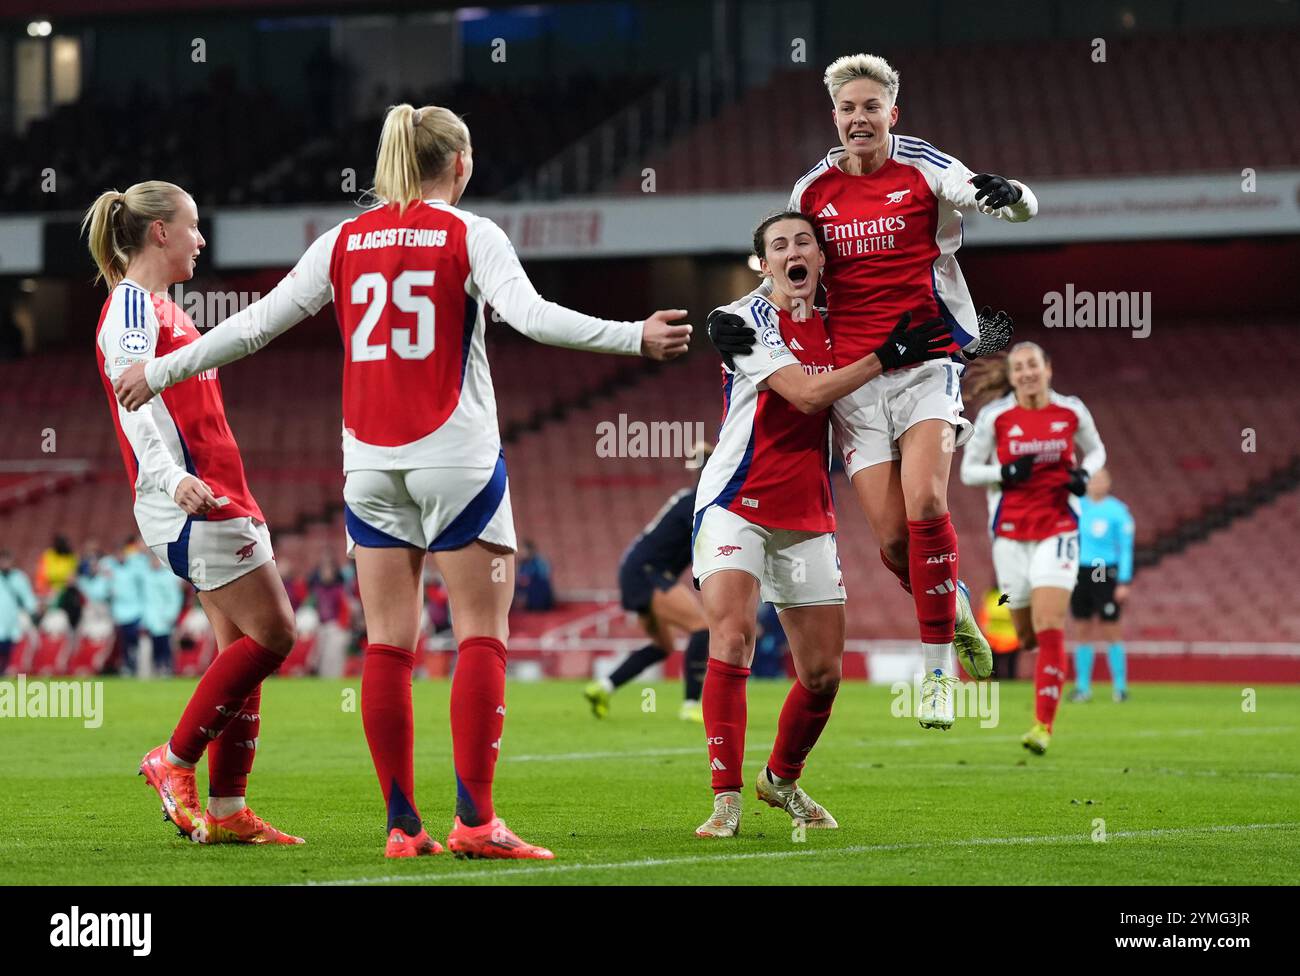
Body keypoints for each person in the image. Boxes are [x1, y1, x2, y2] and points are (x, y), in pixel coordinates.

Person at [113, 104, 692, 860]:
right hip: (457, 456)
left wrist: (157, 369)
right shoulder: (471, 233)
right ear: (460, 163)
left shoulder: (344, 239)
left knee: (389, 644)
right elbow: (531, 315)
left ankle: (401, 827)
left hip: (368, 467)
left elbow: (253, 327)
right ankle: (477, 822)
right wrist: (633, 337)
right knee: (483, 632)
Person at [707, 53, 1031, 727]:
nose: (860, 118)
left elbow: (977, 190)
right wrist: (736, 318)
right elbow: (791, 263)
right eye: (848, 108)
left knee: (928, 499)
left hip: (924, 364)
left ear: (892, 113)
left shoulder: (921, 165)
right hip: (852, 381)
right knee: (891, 544)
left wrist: (1014, 198)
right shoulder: (812, 189)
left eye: (870, 107)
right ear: (835, 117)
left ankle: (937, 674)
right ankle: (955, 603)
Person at [694, 211, 951, 838]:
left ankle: (780, 780)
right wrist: (884, 355)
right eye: (778, 246)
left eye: (803, 241)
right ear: (764, 264)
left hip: (807, 510)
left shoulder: (842, 324)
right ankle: (725, 799)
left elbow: (905, 340)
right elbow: (806, 395)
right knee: (732, 640)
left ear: (822, 255)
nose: (792, 252)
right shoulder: (744, 319)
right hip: (736, 498)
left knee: (823, 673)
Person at [84, 180, 303, 845]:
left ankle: (231, 809)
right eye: (193, 226)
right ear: (159, 233)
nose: (201, 239)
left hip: (217, 493)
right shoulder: (130, 304)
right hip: (195, 501)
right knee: (276, 636)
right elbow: (134, 396)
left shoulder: (153, 304)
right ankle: (173, 760)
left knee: (239, 649)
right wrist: (171, 476)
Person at [960, 342, 1106, 756]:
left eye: (1033, 365)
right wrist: (1004, 471)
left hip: (1058, 529)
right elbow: (969, 470)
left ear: (1048, 369)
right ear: (1011, 375)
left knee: (1049, 625)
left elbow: (1096, 451)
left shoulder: (1071, 411)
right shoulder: (996, 417)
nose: (1027, 373)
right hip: (1009, 534)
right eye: (1019, 367)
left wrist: (1084, 475)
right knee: (1025, 635)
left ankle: (1043, 724)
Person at [585, 462, 712, 724]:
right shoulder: (698, 504)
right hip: (649, 573)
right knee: (701, 628)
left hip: (636, 571)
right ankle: (690, 705)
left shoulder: (687, 498)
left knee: (662, 646)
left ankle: (603, 687)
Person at [1070, 468, 1135, 703]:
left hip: (1105, 573)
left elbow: (1126, 548)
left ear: (1109, 483)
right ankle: (1082, 687)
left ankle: (1120, 687)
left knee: (1111, 629)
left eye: (1101, 479)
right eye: (1093, 479)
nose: (1096, 483)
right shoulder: (1076, 505)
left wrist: (1124, 581)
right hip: (1080, 571)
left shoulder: (1118, 511)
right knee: (1082, 629)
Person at [142, 550, 185, 674]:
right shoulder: (148, 575)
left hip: (166, 617)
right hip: (152, 618)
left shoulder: (169, 577)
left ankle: (168, 668)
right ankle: (157, 667)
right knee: (155, 645)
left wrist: (171, 614)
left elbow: (175, 598)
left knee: (167, 644)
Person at [0, 548, 37, 673]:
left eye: (6, 560)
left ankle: (8, 674)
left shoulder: (19, 577)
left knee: (10, 650)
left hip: (12, 620)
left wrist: (33, 610)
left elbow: (28, 596)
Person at [515, 540, 555, 612]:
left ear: (529, 550)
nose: (520, 553)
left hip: (540, 592)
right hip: (529, 593)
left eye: (523, 550)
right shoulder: (523, 564)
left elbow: (544, 577)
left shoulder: (539, 561)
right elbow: (520, 580)